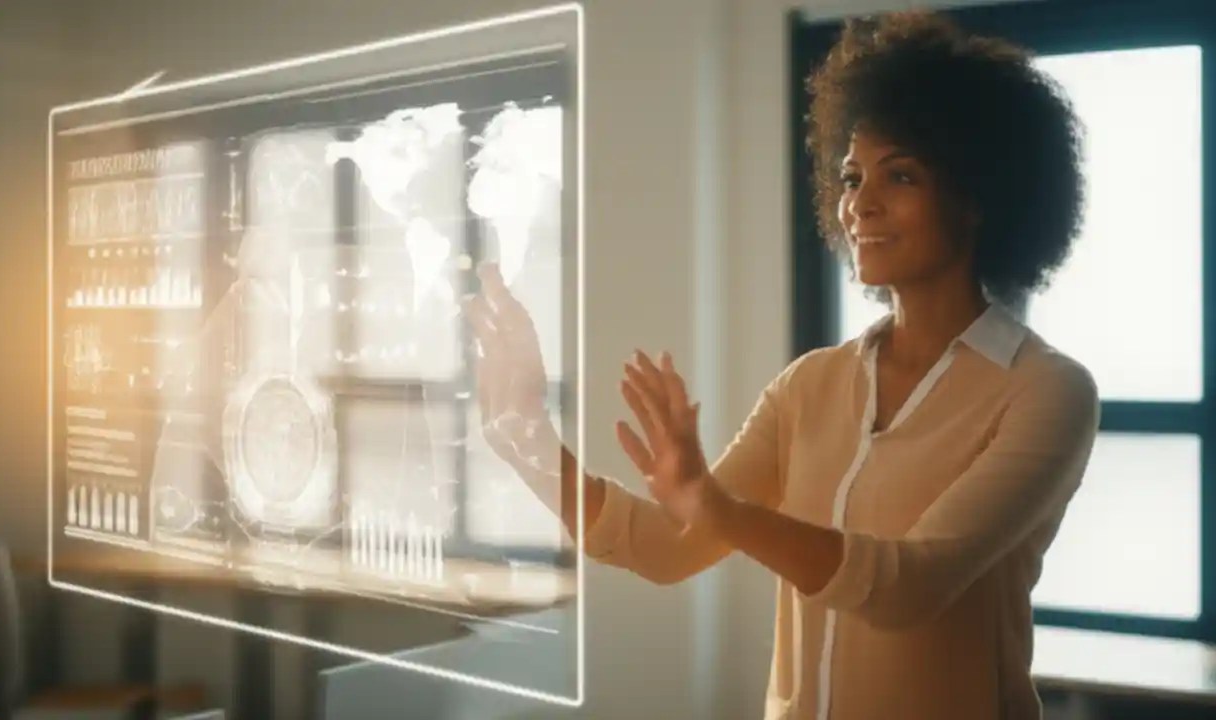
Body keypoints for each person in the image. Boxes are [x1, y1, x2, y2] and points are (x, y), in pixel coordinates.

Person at [464, 10, 1098, 720]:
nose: (860, 204)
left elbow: (910, 587)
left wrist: (720, 509)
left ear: (978, 197)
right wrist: (525, 434)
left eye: (901, 175)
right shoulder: (809, 386)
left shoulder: (1046, 391)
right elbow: (669, 549)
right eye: (851, 177)